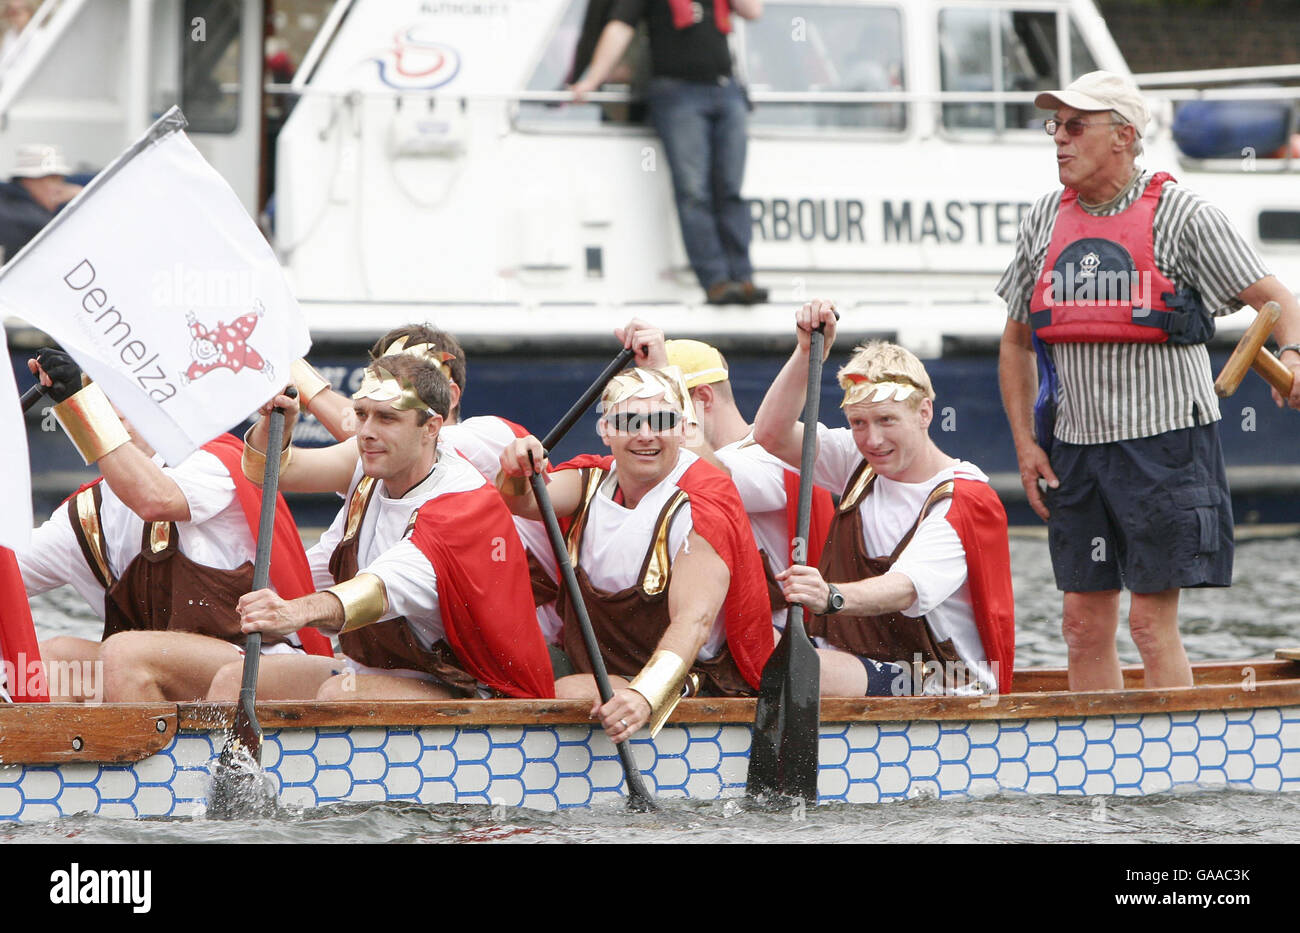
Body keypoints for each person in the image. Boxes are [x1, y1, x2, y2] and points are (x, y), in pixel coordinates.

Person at [996, 71, 1300, 691]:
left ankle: (1171, 775)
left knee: (1149, 625)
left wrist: (1292, 356)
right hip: (1075, 450)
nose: (1059, 139)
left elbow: (1279, 301)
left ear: (1124, 136)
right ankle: (1093, 774)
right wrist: (1027, 446)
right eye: (1055, 125)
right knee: (1080, 625)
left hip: (1166, 446)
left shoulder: (1185, 216)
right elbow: (1016, 341)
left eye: (1075, 125)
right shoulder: (1043, 221)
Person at [209, 352, 554, 701]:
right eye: (361, 415)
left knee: (339, 695)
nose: (367, 433)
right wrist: (276, 424)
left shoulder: (461, 504)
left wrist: (292, 612)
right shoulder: (375, 461)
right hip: (383, 672)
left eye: (387, 418)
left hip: (478, 692)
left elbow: (376, 592)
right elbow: (268, 471)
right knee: (231, 679)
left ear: (431, 428)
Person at [16, 349, 331, 702]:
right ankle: (61, 757)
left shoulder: (213, 464)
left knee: (124, 654)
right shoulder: (85, 513)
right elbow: (8, 573)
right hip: (149, 674)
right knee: (43, 662)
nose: (108, 403)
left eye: (119, 394)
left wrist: (82, 405)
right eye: (99, 393)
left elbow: (155, 499)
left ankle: (143, 756)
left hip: (261, 669)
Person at [497, 357, 774, 742]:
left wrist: (645, 695)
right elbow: (522, 501)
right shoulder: (589, 480)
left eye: (661, 422)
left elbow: (693, 622)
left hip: (689, 680)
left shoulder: (701, 504)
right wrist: (513, 469)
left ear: (681, 429)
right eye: (629, 423)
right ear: (606, 430)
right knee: (502, 669)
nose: (646, 435)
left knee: (556, 691)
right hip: (602, 670)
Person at [753, 302, 1015, 697]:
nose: (872, 440)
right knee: (744, 643)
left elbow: (905, 588)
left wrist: (830, 596)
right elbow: (770, 435)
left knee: (780, 661)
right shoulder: (860, 463)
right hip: (861, 661)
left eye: (887, 421)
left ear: (925, 413)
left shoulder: (963, 499)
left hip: (939, 681)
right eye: (859, 423)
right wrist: (807, 354)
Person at [569, 0, 768, 306]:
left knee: (730, 190)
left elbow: (753, 10)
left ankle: (742, 278)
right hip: (678, 94)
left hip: (725, 90)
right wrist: (592, 80)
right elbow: (619, 27)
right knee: (693, 191)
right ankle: (716, 281)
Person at [664, 337, 833, 617]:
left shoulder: (777, 452)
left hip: (784, 638)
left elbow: (716, 482)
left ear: (703, 397)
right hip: (725, 632)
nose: (651, 426)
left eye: (664, 412)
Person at [0, 143, 81, 263]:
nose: (60, 188)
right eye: (53, 179)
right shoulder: (13, 210)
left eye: (60, 180)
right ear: (28, 180)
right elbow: (43, 228)